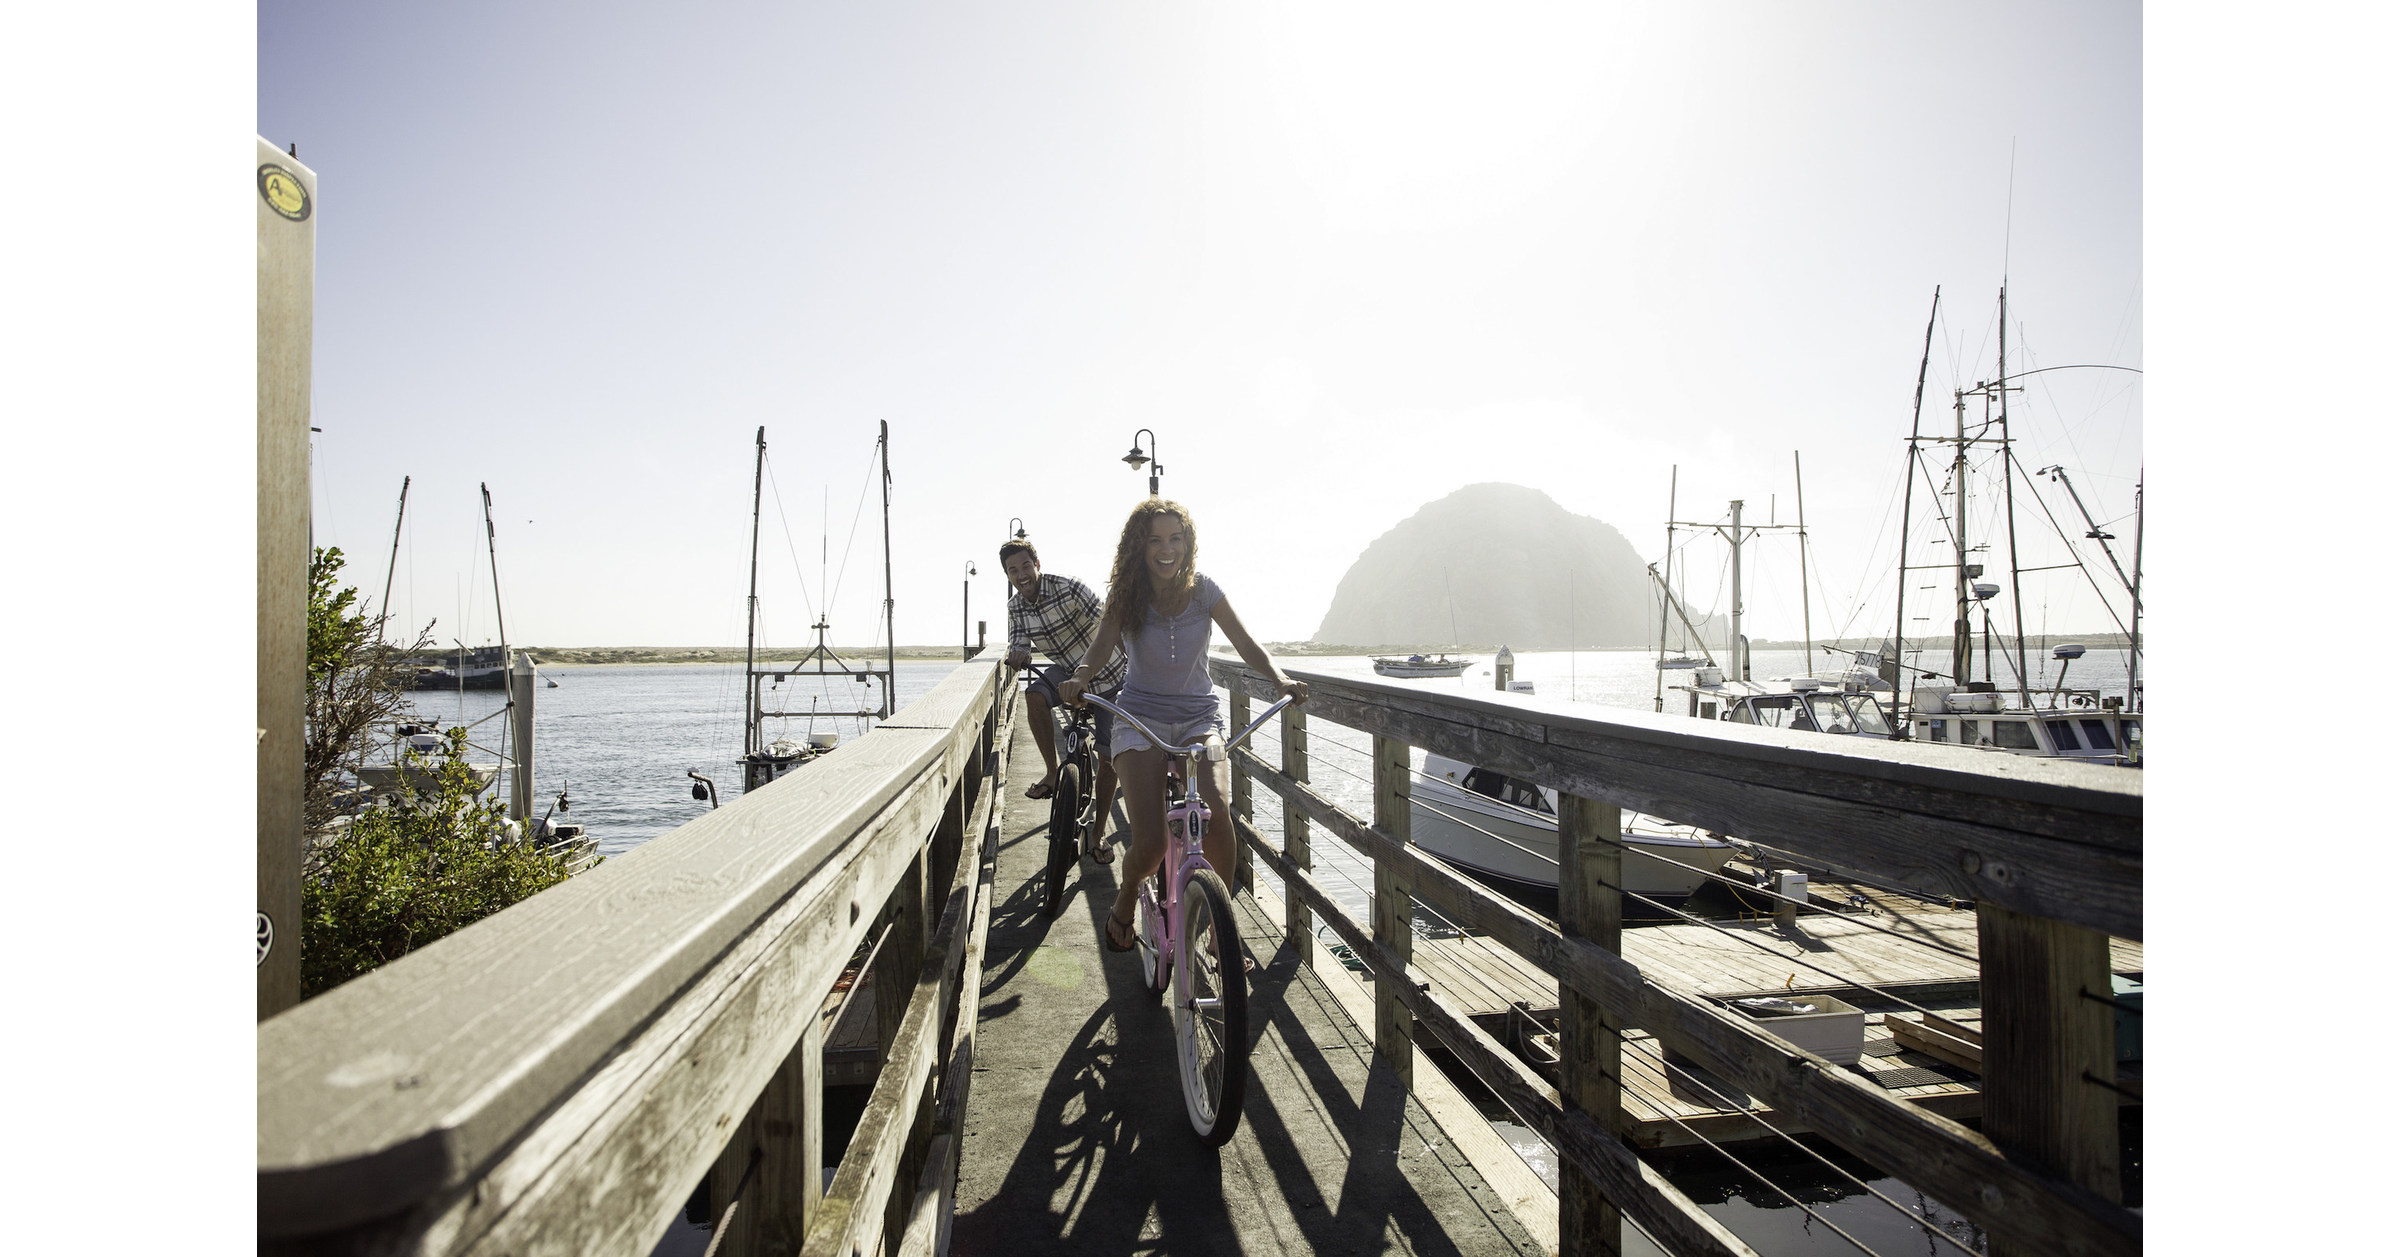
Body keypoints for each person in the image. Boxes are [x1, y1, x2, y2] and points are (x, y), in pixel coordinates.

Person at [1059, 499, 1307, 957]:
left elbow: (1248, 645)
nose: (1166, 549)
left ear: (1188, 544)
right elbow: (1098, 650)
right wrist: (1081, 677)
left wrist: (1281, 680)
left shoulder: (1205, 590)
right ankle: (1129, 893)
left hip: (1198, 720)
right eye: (1155, 540)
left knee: (1217, 819)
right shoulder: (1125, 595)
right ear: (1140, 546)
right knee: (1150, 842)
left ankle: (1220, 931)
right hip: (1139, 718)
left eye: (1175, 538)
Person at [1002, 536, 1123, 860]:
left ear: (1037, 564)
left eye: (1026, 565)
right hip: (1066, 673)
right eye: (1013, 570)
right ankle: (1053, 772)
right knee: (1034, 696)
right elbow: (1020, 643)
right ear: (1008, 575)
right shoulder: (1015, 607)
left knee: (1108, 755)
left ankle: (1097, 835)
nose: (1021, 574)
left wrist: (1127, 671)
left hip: (1108, 675)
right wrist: (1018, 654)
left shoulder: (1069, 588)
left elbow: (1109, 624)